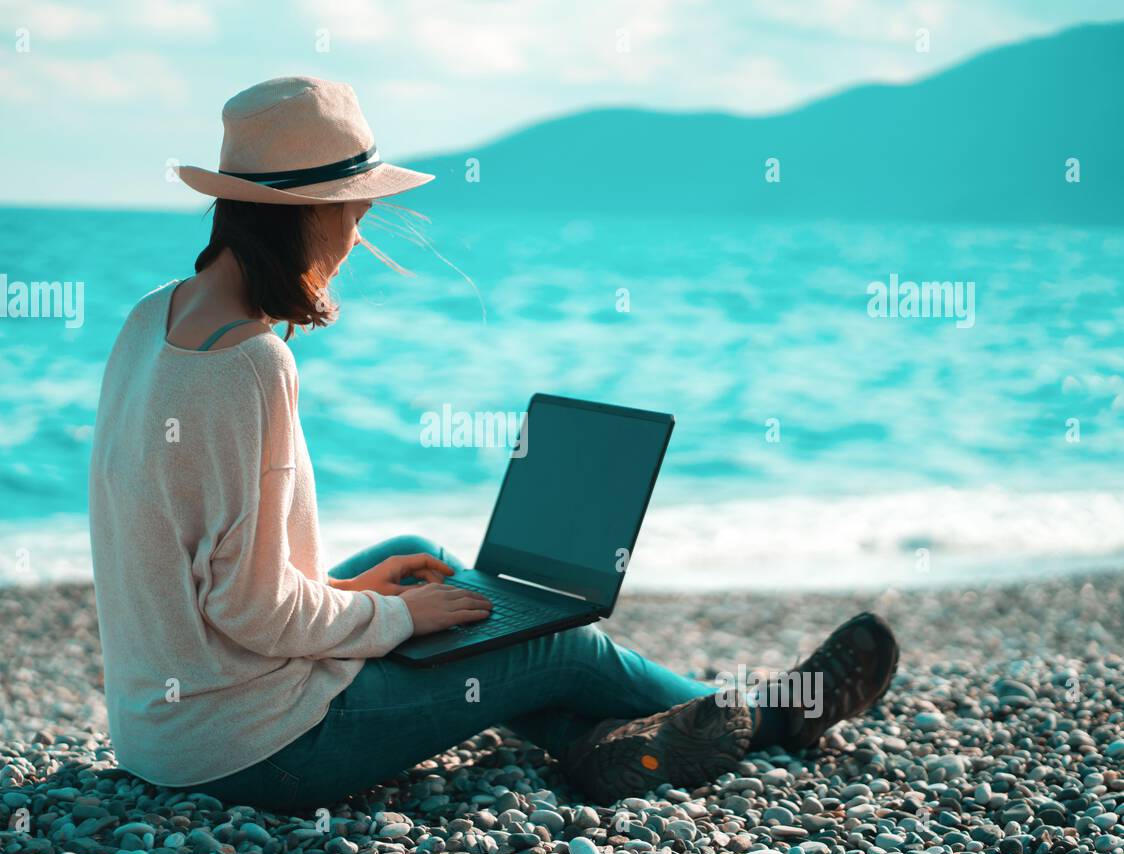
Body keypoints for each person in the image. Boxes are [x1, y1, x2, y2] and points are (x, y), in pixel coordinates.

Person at [88, 76, 900, 811]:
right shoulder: (251, 362)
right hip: (251, 749)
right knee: (562, 643)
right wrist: (394, 616)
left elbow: (212, 574)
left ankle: (595, 749)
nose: (357, 239)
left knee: (420, 557)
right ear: (311, 214)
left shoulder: (153, 318)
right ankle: (777, 712)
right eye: (356, 212)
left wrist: (367, 591)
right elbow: (252, 607)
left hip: (159, 725)